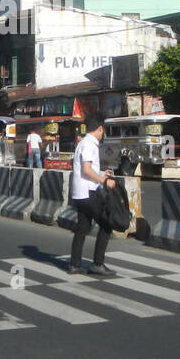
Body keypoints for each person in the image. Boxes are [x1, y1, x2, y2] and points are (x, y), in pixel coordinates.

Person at [69, 111, 116, 276]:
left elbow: (88, 169)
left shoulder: (83, 143)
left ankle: (75, 264)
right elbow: (86, 170)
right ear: (100, 128)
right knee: (106, 224)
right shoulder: (90, 144)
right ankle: (98, 263)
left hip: (79, 193)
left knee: (83, 227)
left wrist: (102, 173)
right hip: (88, 193)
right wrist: (104, 181)